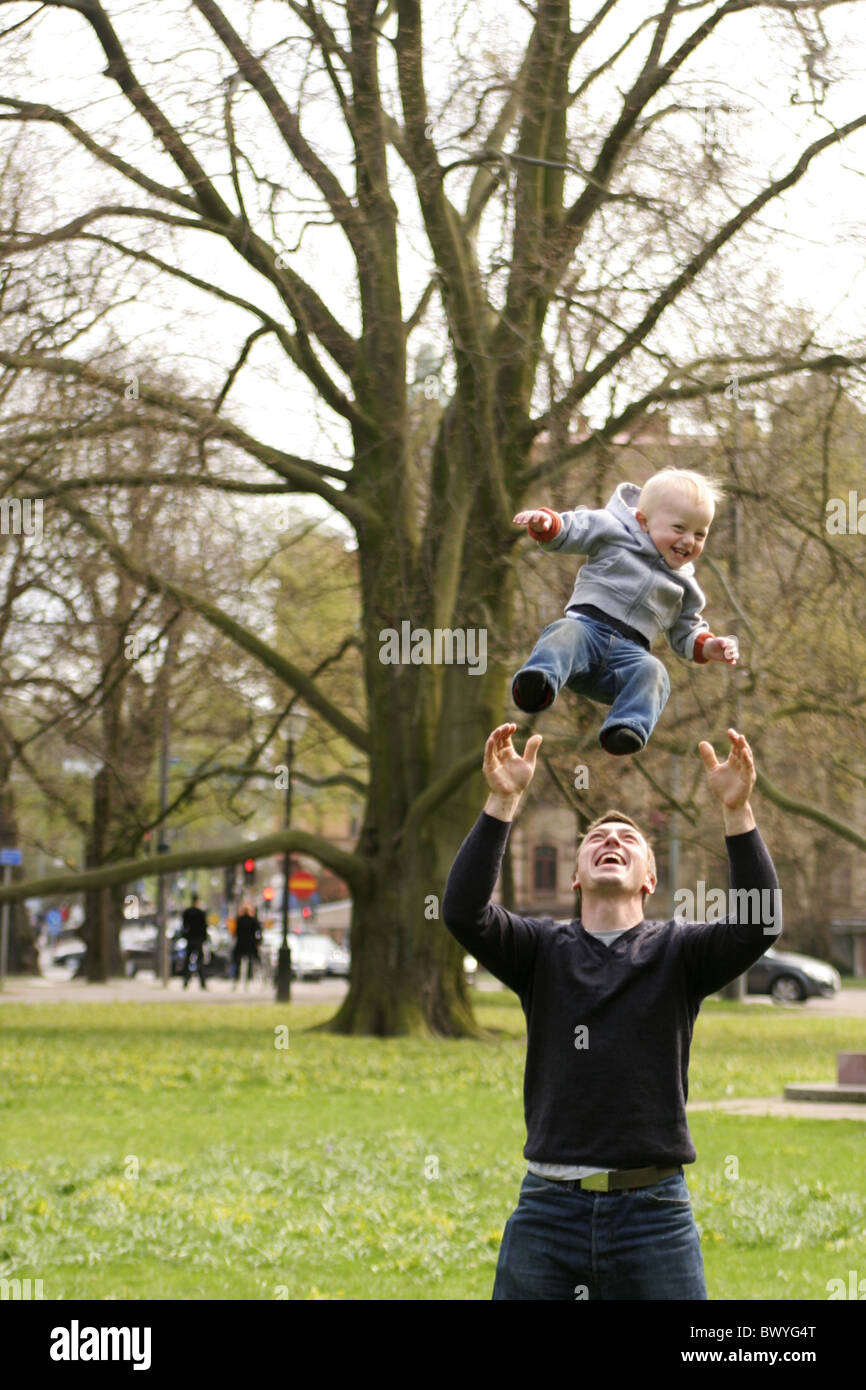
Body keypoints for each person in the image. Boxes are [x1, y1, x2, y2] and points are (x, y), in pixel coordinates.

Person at [442, 722, 782, 1300]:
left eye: (629, 840)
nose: (612, 840)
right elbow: (462, 912)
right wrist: (501, 802)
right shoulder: (540, 951)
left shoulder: (679, 953)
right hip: (548, 1212)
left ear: (649, 879)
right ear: (575, 876)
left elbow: (758, 925)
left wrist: (737, 812)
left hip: (654, 1213)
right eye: (598, 837)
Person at [511, 469, 739, 754]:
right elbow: (576, 528)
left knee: (654, 671)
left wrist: (708, 646)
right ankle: (538, 684)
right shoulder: (613, 529)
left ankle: (626, 728)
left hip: (625, 660)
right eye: (679, 529)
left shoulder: (685, 587)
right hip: (585, 638)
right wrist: (547, 524)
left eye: (700, 534)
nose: (689, 541)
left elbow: (686, 632)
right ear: (642, 520)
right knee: (563, 632)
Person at [179, 892, 209, 990]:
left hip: (190, 939)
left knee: (187, 961)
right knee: (200, 961)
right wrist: (204, 938)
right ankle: (202, 983)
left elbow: (184, 926)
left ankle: (186, 981)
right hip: (199, 939)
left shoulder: (187, 912)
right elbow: (204, 927)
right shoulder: (201, 913)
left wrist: (185, 936)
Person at [233, 900, 262, 989]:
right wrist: (258, 942)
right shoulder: (253, 920)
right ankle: (247, 983)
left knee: (238, 963)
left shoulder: (239, 920)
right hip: (250, 944)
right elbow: (259, 932)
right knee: (250, 962)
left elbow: (236, 932)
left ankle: (236, 980)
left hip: (241, 943)